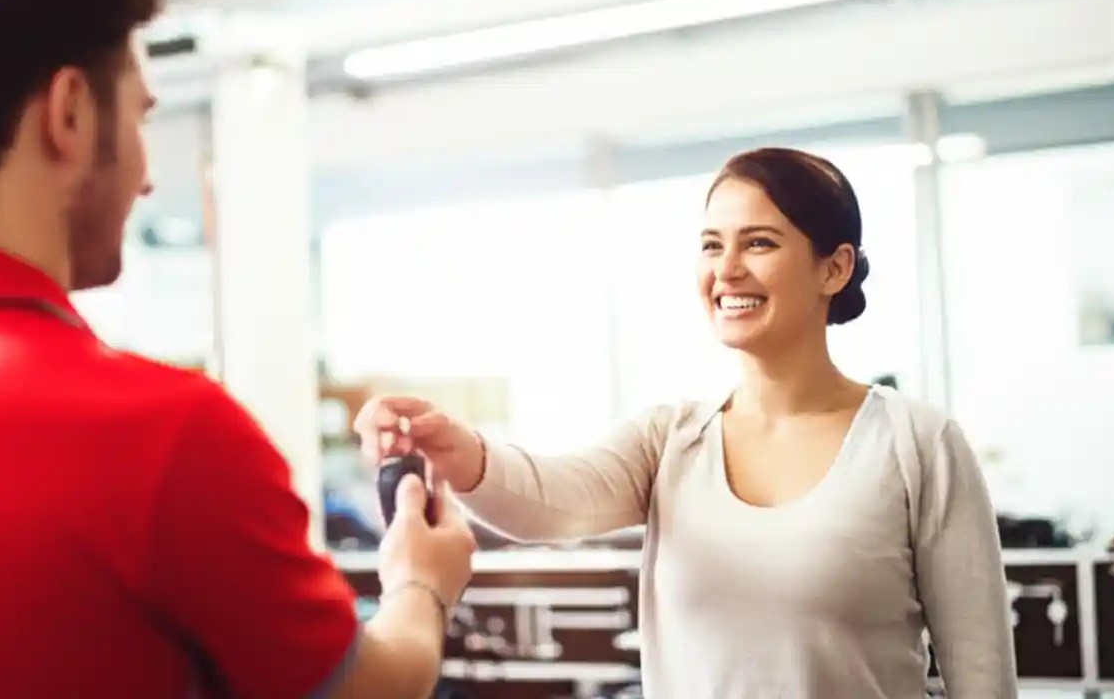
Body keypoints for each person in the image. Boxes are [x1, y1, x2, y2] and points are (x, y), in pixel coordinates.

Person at [0, 0, 474, 698]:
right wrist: (421, 582)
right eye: (140, 118)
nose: (145, 177)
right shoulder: (161, 433)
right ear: (69, 113)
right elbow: (368, 690)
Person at [356, 147, 1017, 697]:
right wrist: (454, 446)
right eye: (711, 245)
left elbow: (981, 673)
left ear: (834, 267)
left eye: (759, 243)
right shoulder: (671, 440)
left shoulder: (917, 444)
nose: (726, 269)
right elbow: (547, 501)